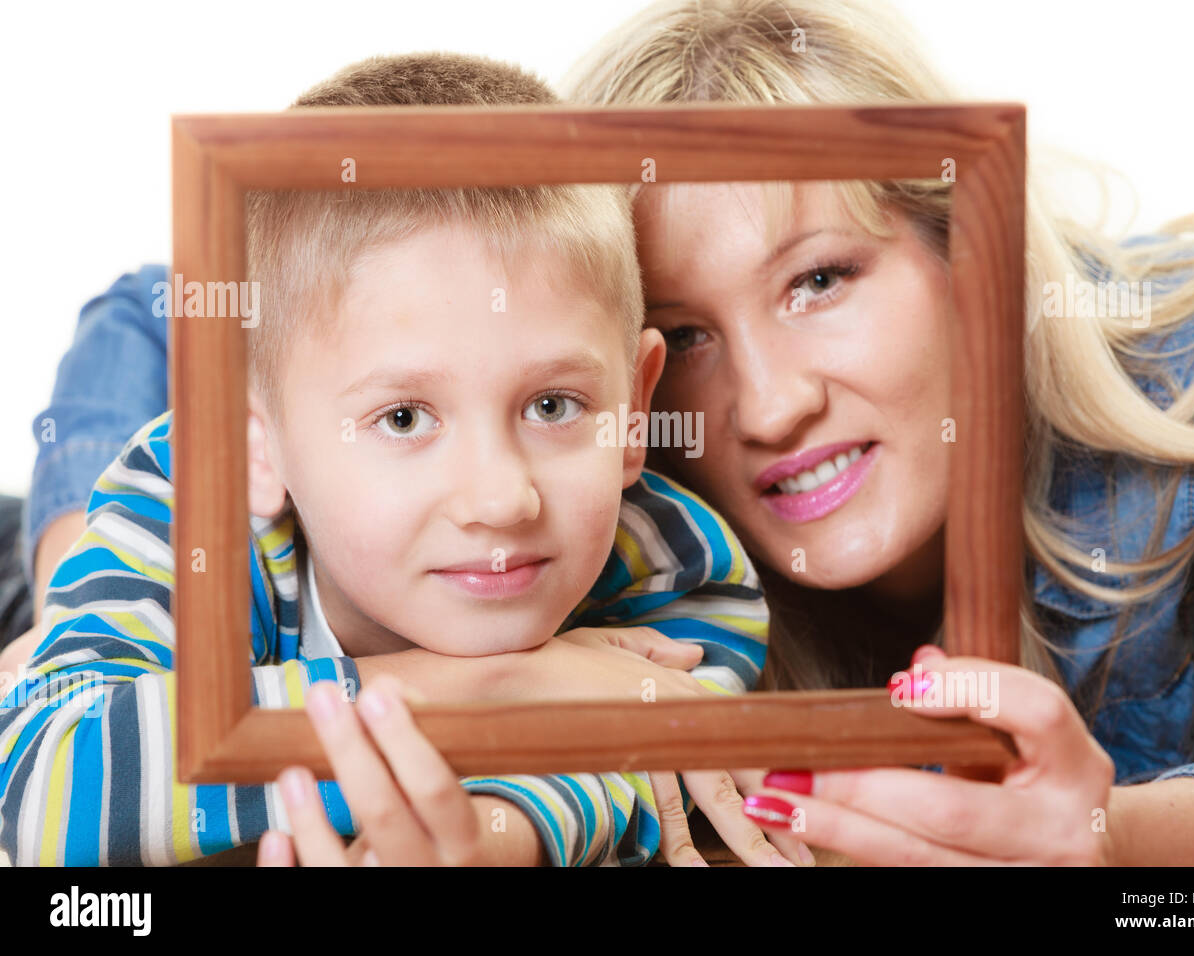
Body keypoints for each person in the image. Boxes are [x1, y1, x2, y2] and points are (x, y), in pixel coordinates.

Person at [551, 0, 1194, 866]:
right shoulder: (617, 545)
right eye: (685, 337)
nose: (769, 408)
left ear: (966, 246)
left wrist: (1120, 842)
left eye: (819, 280)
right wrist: (478, 683)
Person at [0, 50, 793, 867]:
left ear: (634, 408)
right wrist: (499, 686)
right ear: (252, 449)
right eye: (406, 417)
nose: (501, 500)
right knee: (132, 329)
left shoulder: (673, 566)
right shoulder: (195, 499)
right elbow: (42, 789)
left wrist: (493, 836)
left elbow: (620, 758)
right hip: (63, 576)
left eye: (553, 406)